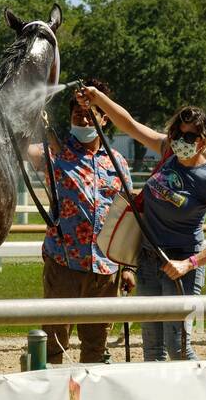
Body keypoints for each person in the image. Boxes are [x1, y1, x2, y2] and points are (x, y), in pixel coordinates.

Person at [74, 88, 206, 361]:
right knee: (152, 348)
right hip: (148, 261)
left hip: (181, 268)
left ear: (203, 140)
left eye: (188, 136)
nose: (179, 141)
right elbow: (129, 124)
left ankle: (200, 398)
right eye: (176, 134)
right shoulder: (166, 152)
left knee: (178, 347)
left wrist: (190, 264)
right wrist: (97, 98)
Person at [26, 77, 133, 364]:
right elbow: (20, 146)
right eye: (77, 115)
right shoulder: (55, 155)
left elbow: (127, 215)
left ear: (105, 119)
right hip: (63, 265)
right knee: (52, 346)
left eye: (89, 114)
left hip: (105, 271)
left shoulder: (118, 163)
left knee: (96, 347)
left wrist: (129, 267)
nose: (83, 120)